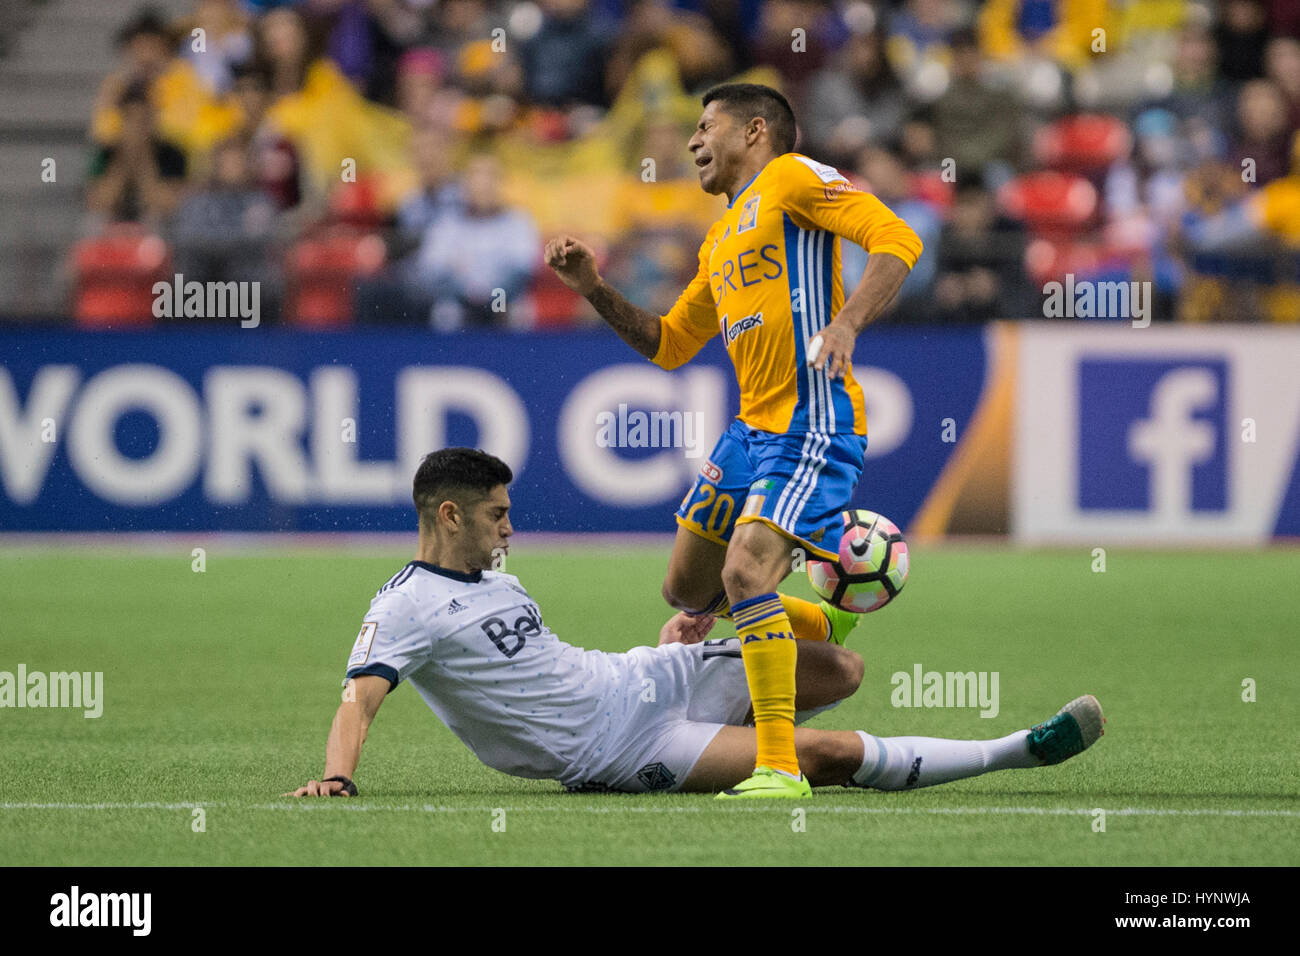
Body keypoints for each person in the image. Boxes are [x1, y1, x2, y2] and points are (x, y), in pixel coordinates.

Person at [286, 448, 1105, 799]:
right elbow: (359, 699)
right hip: (621, 750)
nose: (510, 527)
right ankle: (1015, 753)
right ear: (451, 514)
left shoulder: (500, 578)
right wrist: (338, 778)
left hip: (641, 677)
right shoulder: (403, 607)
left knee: (837, 671)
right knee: (812, 754)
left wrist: (665, 643)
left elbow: (551, 668)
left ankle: (819, 604)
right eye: (497, 516)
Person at [543, 83, 923, 798]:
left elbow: (899, 240)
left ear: (755, 130)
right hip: (749, 432)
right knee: (687, 590)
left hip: (811, 420)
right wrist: (594, 288)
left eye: (704, 125)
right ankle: (818, 616)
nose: (692, 141)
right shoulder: (720, 236)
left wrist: (846, 324)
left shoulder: (793, 176)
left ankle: (779, 765)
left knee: (746, 575)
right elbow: (668, 343)